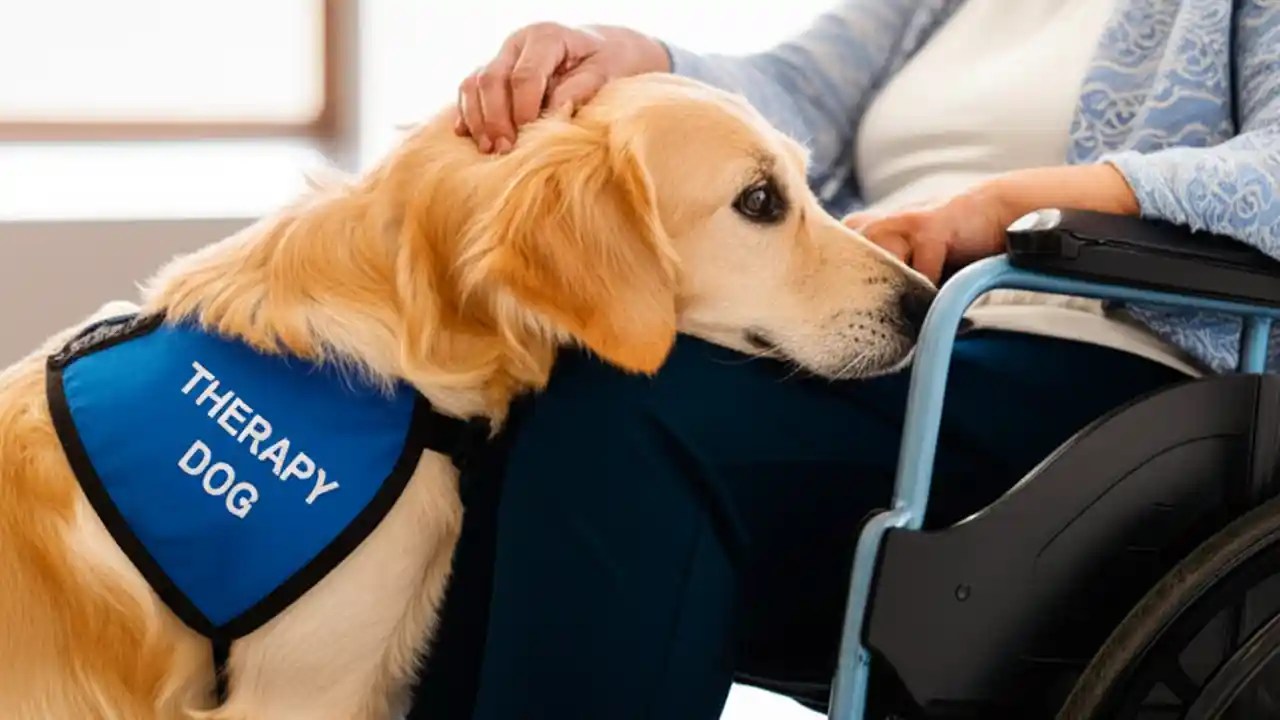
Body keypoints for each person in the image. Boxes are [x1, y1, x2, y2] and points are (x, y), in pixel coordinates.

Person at [409, 1, 1280, 718]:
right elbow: (791, 98)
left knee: (632, 410)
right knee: (505, 379)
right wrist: (630, 55)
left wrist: (1001, 205)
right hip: (890, 335)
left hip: (1095, 369)